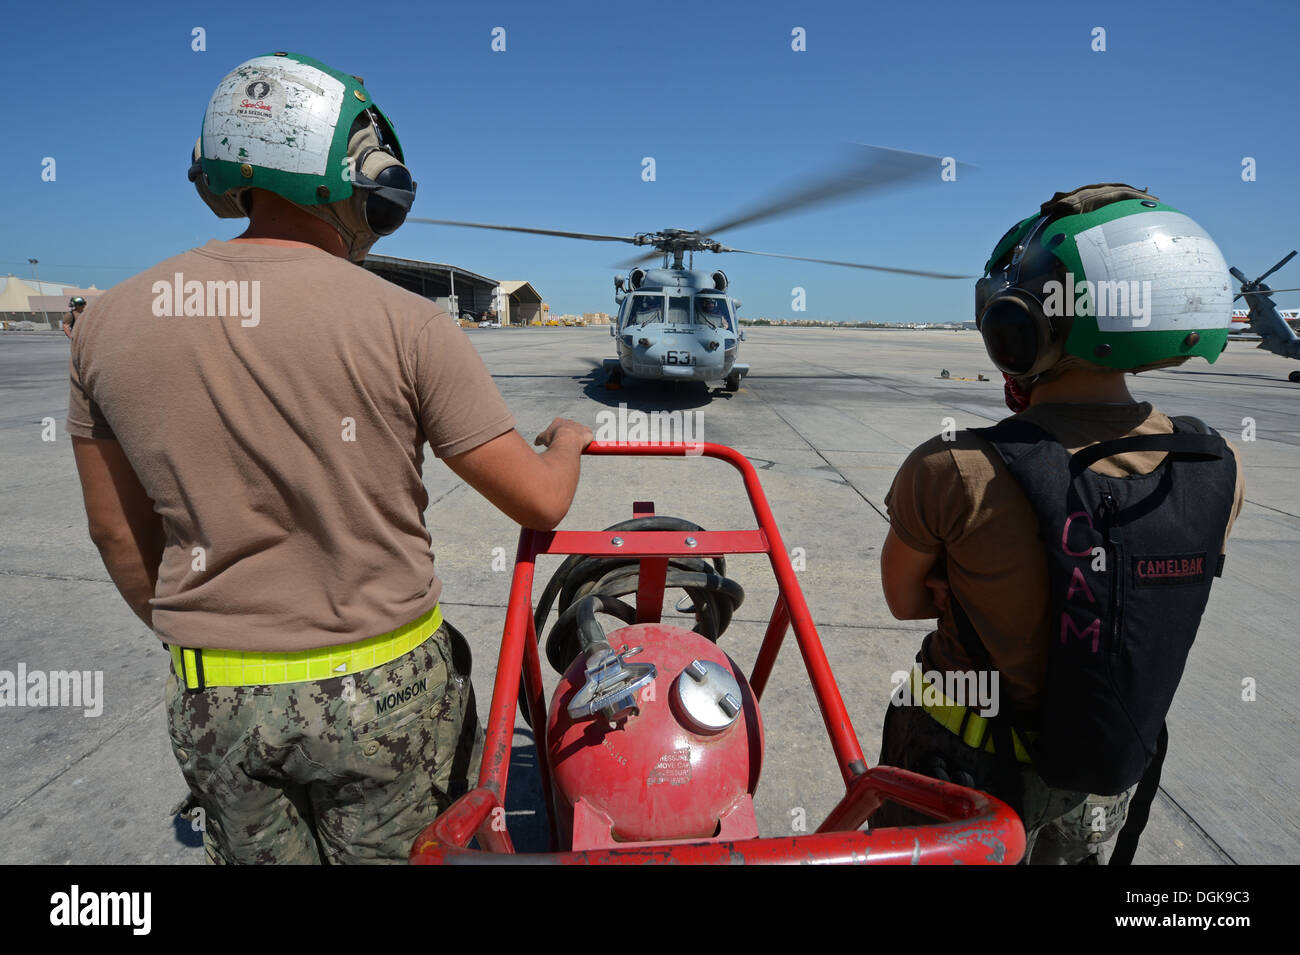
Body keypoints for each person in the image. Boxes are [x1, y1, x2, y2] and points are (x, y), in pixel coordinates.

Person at [67, 52, 593, 864]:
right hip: (384, 690)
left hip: (217, 689)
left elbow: (115, 534)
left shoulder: (110, 322)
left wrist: (216, 644)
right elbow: (539, 503)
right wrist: (565, 442)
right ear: (358, 173)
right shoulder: (409, 323)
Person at [870, 184, 1245, 864]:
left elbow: (902, 600)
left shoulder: (954, 467)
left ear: (1020, 323)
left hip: (964, 777)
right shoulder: (1217, 466)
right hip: (1100, 783)